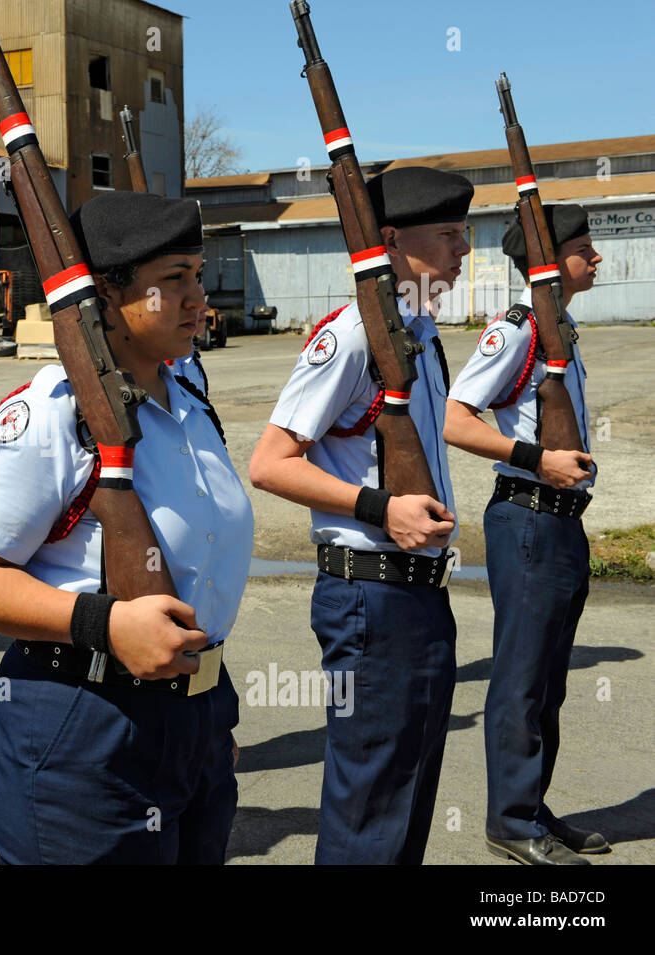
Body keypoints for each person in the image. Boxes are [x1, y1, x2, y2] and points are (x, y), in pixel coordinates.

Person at [0, 191, 253, 864]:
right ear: (106, 296)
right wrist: (104, 624)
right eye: (173, 280)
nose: (199, 297)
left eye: (198, 275)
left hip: (190, 716)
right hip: (84, 727)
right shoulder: (52, 414)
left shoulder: (189, 403)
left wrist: (205, 717)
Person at [248, 166, 471, 865]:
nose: (464, 249)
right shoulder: (349, 337)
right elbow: (270, 462)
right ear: (393, 241)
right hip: (369, 592)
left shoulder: (421, 333)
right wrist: (379, 506)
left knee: (407, 796)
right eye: (448, 235)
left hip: (418, 589)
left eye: (464, 234)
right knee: (369, 807)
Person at [444, 204, 605, 865]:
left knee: (550, 681)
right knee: (521, 676)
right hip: (529, 516)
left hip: (561, 522)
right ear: (552, 259)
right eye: (585, 249)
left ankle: (531, 804)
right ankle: (510, 820)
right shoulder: (516, 331)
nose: (596, 259)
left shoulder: (557, 328)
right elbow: (456, 418)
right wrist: (536, 459)